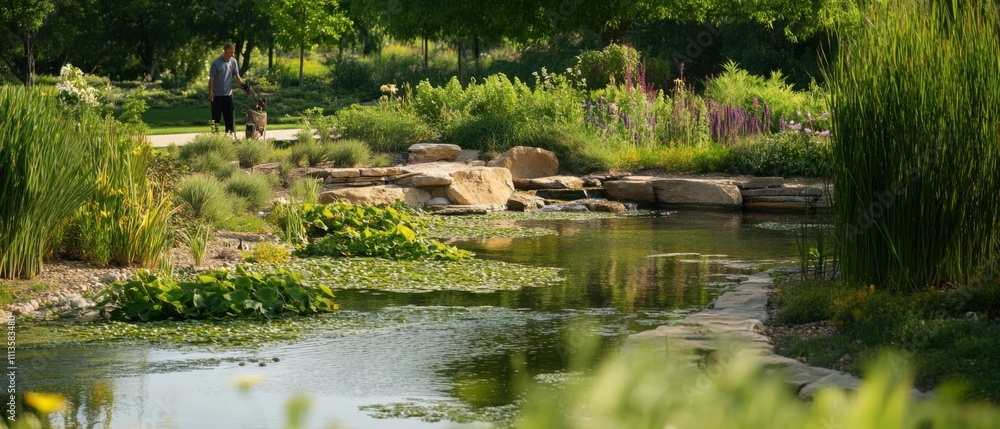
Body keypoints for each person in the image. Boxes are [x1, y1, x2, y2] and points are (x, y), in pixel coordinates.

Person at [208, 42, 247, 136]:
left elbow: (237, 77)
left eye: (233, 52)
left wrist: (245, 86)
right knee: (215, 119)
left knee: (230, 118)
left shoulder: (233, 61)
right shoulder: (216, 62)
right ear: (224, 51)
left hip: (228, 95)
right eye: (230, 52)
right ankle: (215, 137)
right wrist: (210, 93)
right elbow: (211, 79)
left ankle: (230, 137)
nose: (232, 54)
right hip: (217, 95)